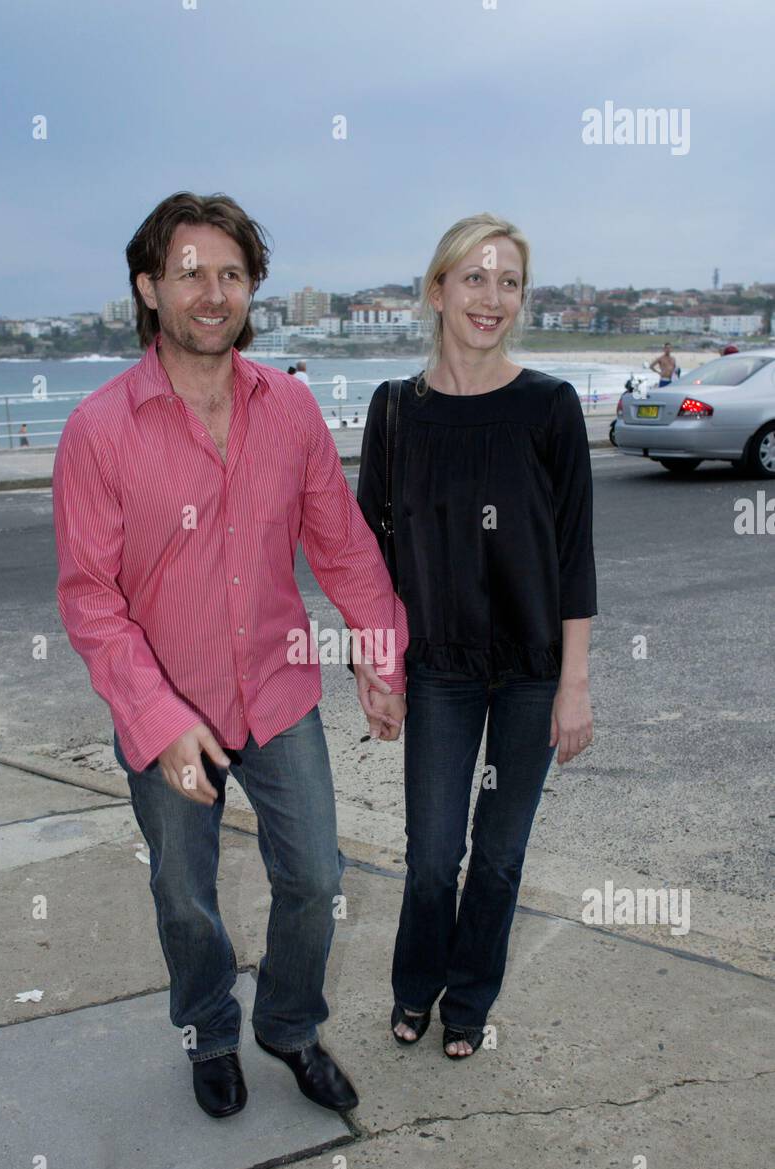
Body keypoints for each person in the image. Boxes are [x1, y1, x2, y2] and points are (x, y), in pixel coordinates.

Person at [53, 192, 407, 1120]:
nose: (213, 293)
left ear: (252, 288)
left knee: (318, 878)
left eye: (231, 274)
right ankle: (209, 1030)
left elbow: (344, 549)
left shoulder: (288, 408)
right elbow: (89, 600)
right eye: (190, 273)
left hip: (278, 691)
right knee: (184, 896)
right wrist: (157, 718)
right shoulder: (97, 430)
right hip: (167, 704)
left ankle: (287, 1026)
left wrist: (379, 654)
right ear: (148, 287)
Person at [357, 213, 596, 1059]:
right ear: (436, 291)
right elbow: (367, 563)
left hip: (532, 672)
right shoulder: (393, 413)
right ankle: (413, 986)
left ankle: (468, 1003)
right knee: (429, 857)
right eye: (473, 278)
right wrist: (373, 667)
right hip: (440, 672)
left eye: (507, 283)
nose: (490, 298)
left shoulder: (549, 408)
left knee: (497, 858)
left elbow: (573, 554)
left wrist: (574, 684)